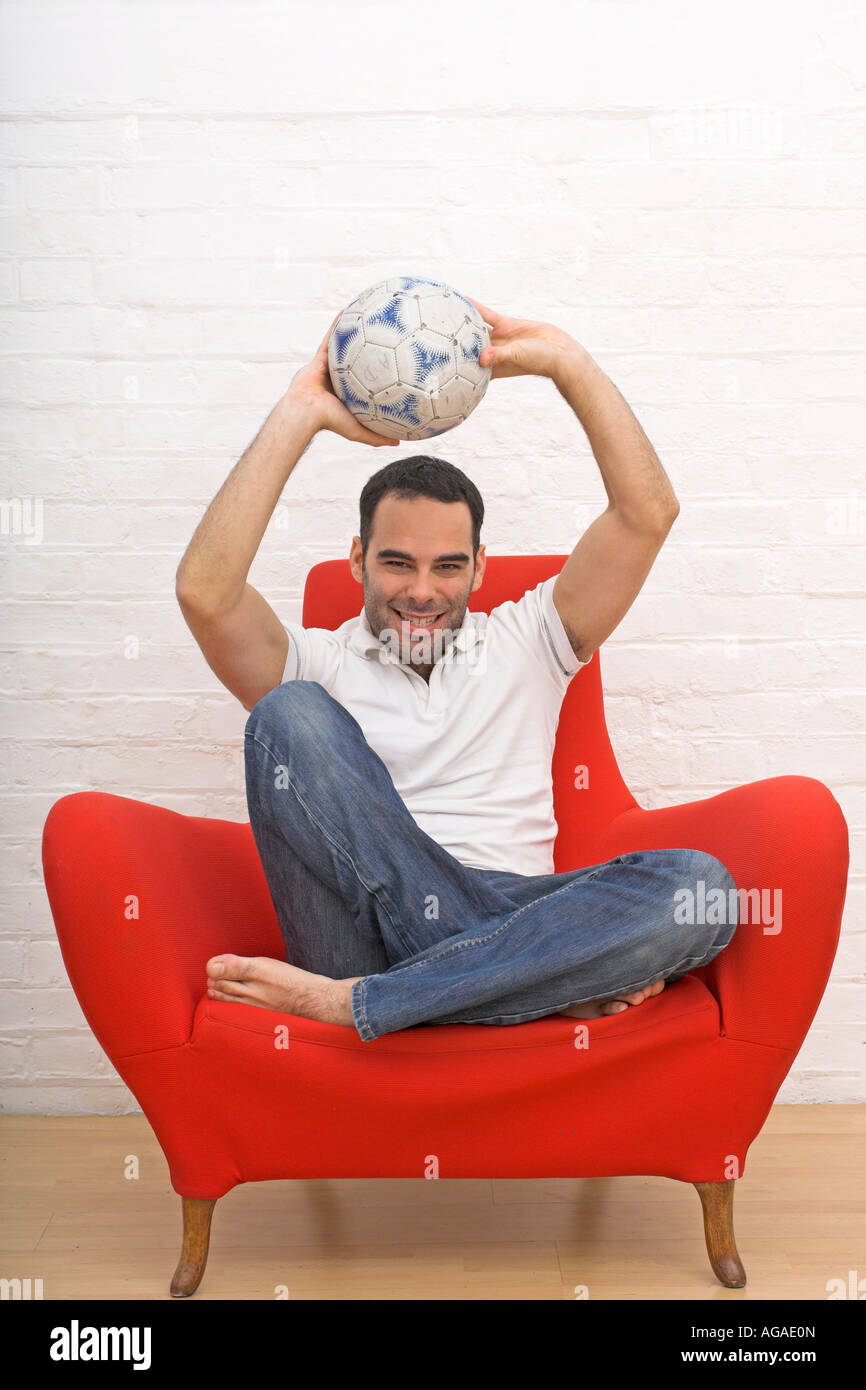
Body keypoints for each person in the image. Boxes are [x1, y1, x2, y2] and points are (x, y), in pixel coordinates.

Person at [176, 299, 738, 1041]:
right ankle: (529, 980)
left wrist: (567, 361)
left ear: (479, 568)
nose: (421, 592)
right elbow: (205, 593)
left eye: (447, 566)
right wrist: (299, 413)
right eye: (397, 563)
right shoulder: (318, 662)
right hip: (362, 936)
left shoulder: (530, 640)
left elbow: (647, 514)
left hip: (510, 913)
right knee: (288, 713)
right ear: (357, 561)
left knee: (702, 889)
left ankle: (369, 1002)